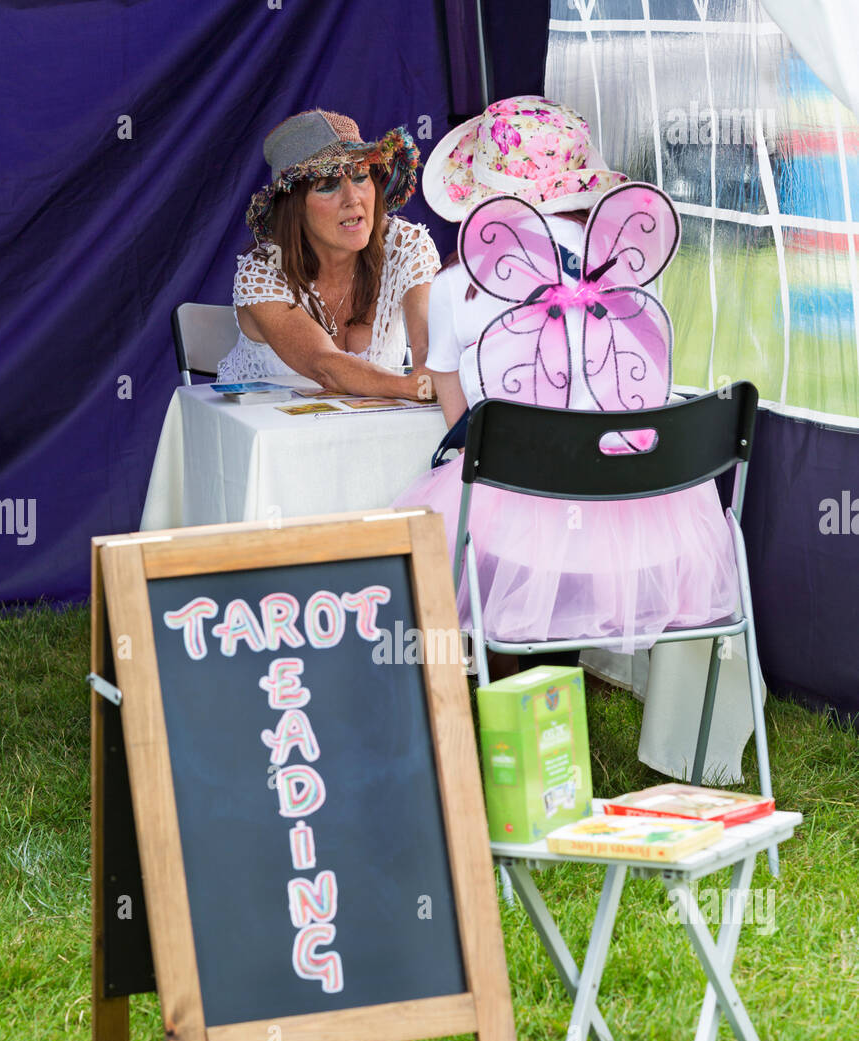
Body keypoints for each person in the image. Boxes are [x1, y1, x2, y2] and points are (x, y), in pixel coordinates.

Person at [395, 96, 740, 652]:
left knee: (450, 505)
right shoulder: (630, 267)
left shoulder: (454, 286)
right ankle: (559, 680)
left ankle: (509, 688)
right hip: (643, 502)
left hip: (518, 505)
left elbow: (453, 407)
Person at [217, 109, 440, 400]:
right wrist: (413, 387)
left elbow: (429, 347)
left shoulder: (406, 246)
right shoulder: (265, 268)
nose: (352, 199)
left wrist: (432, 369)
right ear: (295, 208)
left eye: (361, 176)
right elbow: (324, 366)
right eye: (329, 186)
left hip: (365, 434)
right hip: (267, 439)